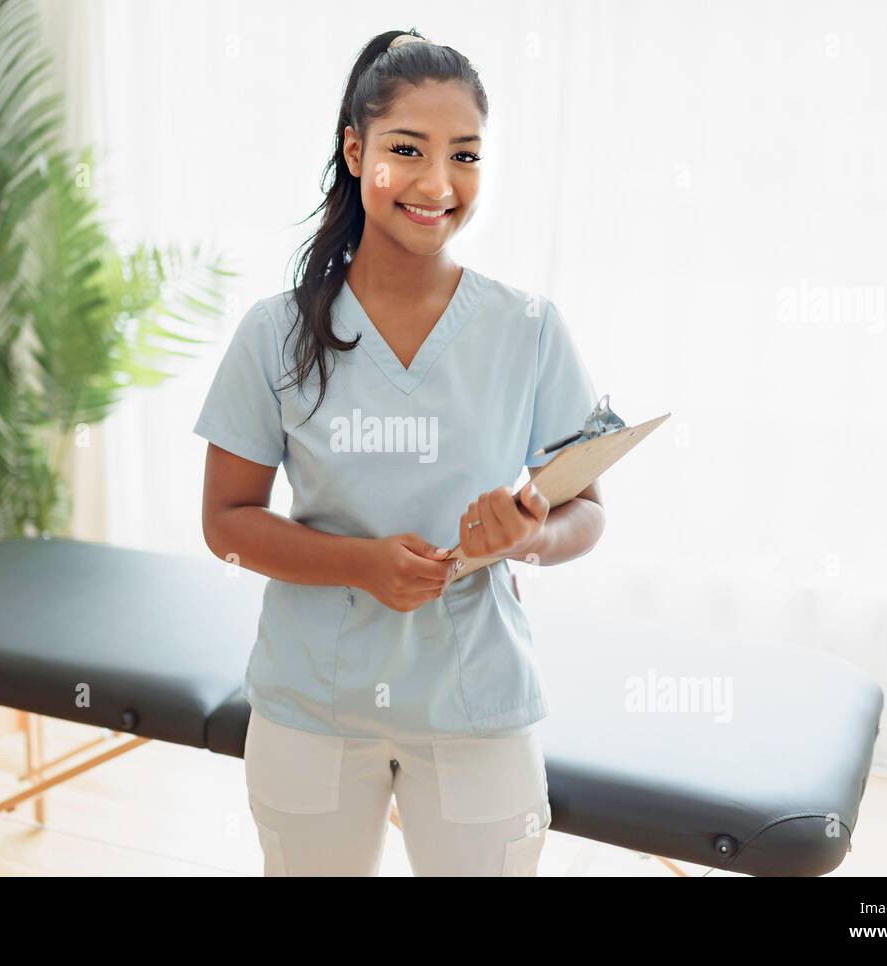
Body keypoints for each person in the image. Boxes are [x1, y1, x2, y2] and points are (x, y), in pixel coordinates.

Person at [192, 28, 605, 876]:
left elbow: (586, 511)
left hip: (476, 698)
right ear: (355, 150)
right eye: (407, 150)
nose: (437, 183)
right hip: (313, 699)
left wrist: (526, 535)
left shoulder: (526, 328)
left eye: (465, 155)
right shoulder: (275, 333)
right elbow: (226, 524)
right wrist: (360, 564)